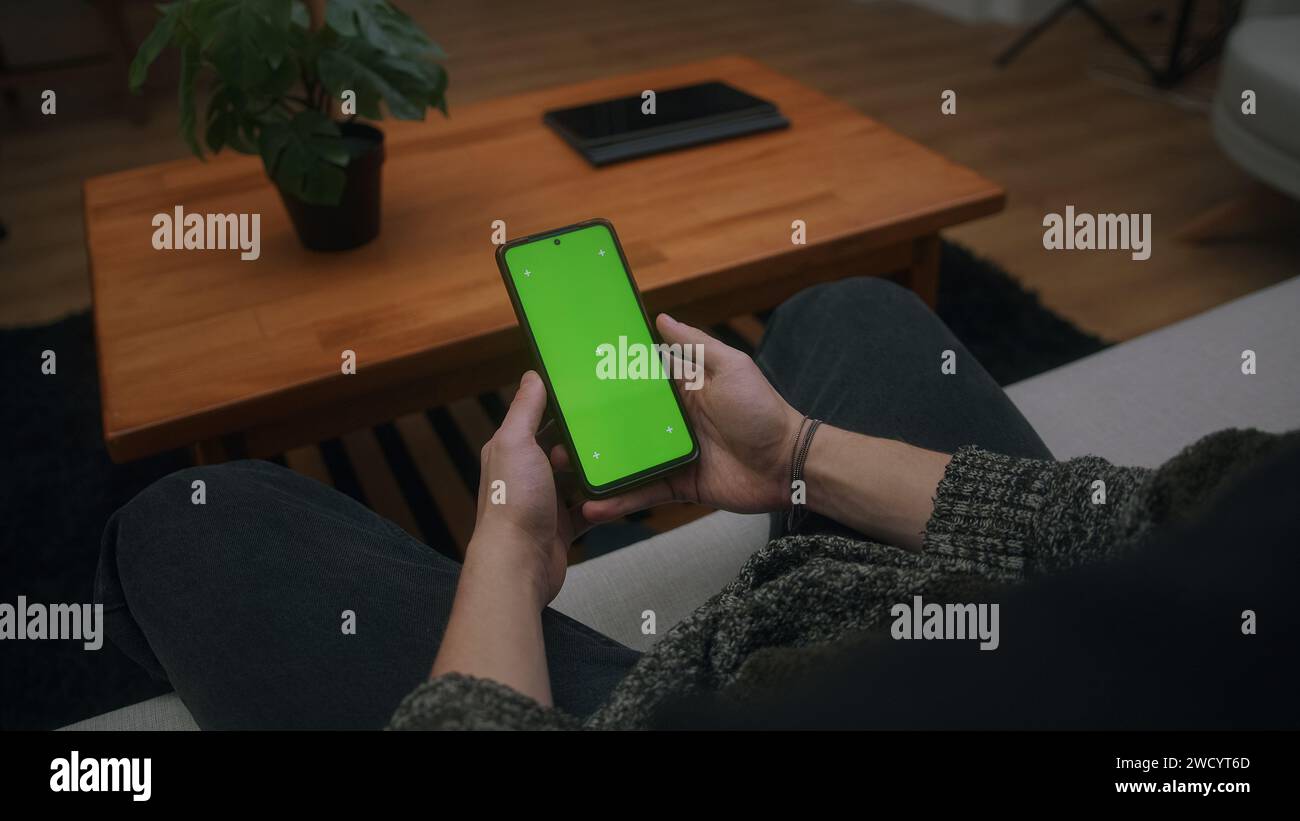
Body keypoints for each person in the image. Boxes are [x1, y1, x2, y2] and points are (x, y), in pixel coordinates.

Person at [95, 278, 1296, 729]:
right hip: (929, 603)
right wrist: (797, 454)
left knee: (191, 518)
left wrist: (507, 558)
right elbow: (1130, 519)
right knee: (851, 310)